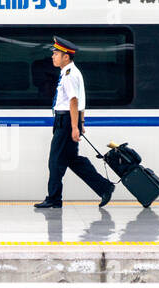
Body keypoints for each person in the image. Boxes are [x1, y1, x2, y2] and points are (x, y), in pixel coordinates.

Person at [34, 36, 116, 210]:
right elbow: (80, 101)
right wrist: (81, 123)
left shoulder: (70, 74)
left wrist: (74, 127)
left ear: (66, 56)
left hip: (65, 122)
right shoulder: (70, 72)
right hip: (68, 121)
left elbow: (74, 101)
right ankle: (104, 187)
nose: (52, 56)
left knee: (55, 160)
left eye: (56, 53)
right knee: (72, 159)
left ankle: (54, 198)